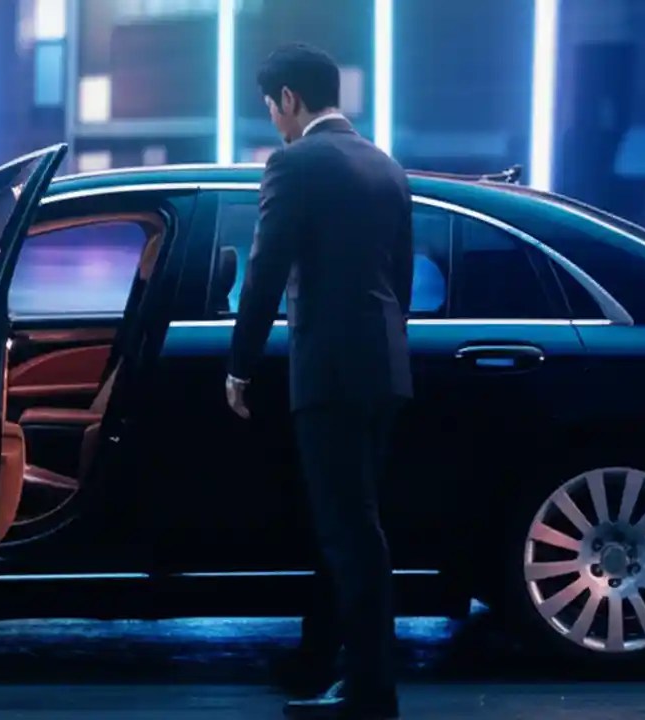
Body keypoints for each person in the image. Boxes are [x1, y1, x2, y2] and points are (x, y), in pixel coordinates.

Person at [225, 43, 412, 720]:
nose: (272, 120)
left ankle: (369, 694)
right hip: (384, 369)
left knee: (351, 535)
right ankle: (326, 666)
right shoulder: (384, 165)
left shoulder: (294, 163)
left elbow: (265, 271)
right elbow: (403, 278)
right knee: (351, 528)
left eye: (271, 107)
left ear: (290, 101)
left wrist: (240, 364)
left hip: (329, 371)